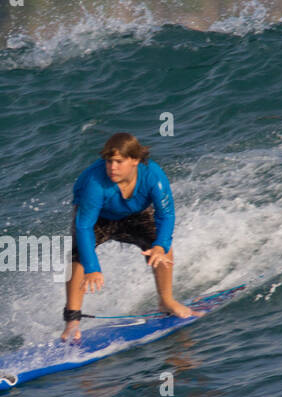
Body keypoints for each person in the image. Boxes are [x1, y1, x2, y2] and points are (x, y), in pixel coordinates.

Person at [62, 132, 193, 341]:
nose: (112, 167)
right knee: (79, 260)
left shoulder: (153, 177)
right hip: (98, 218)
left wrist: (160, 245)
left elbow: (166, 215)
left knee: (162, 247)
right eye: (108, 161)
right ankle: (72, 320)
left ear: (135, 160)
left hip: (135, 214)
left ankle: (166, 300)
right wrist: (93, 268)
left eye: (118, 162)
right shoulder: (94, 182)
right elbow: (84, 226)